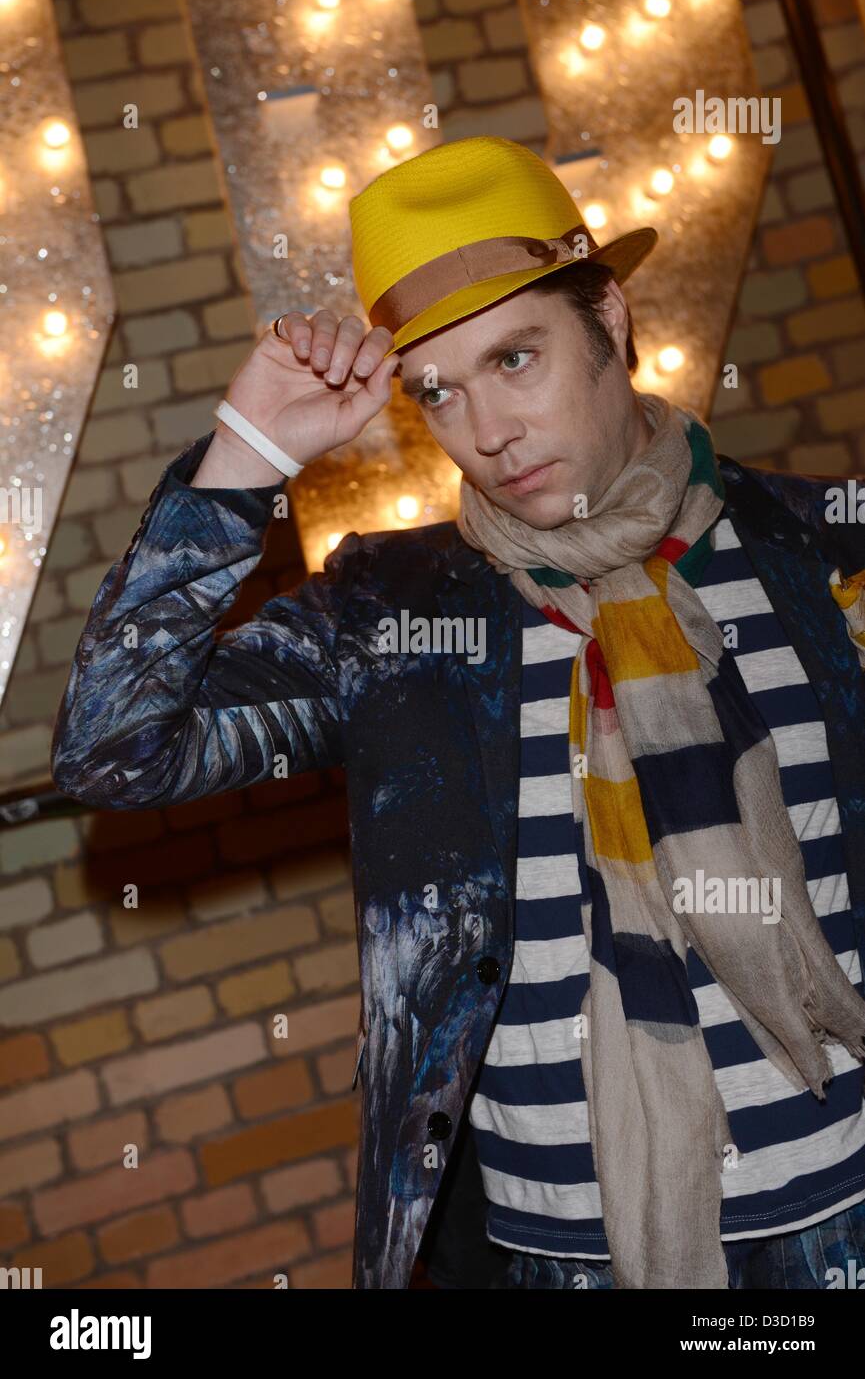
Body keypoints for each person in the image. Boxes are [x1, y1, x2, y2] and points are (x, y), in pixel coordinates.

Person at [51, 135, 865, 1291]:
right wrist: (247, 455)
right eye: (437, 389)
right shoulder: (387, 617)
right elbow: (114, 749)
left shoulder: (820, 550)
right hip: (556, 1255)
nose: (486, 429)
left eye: (516, 358)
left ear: (612, 322)